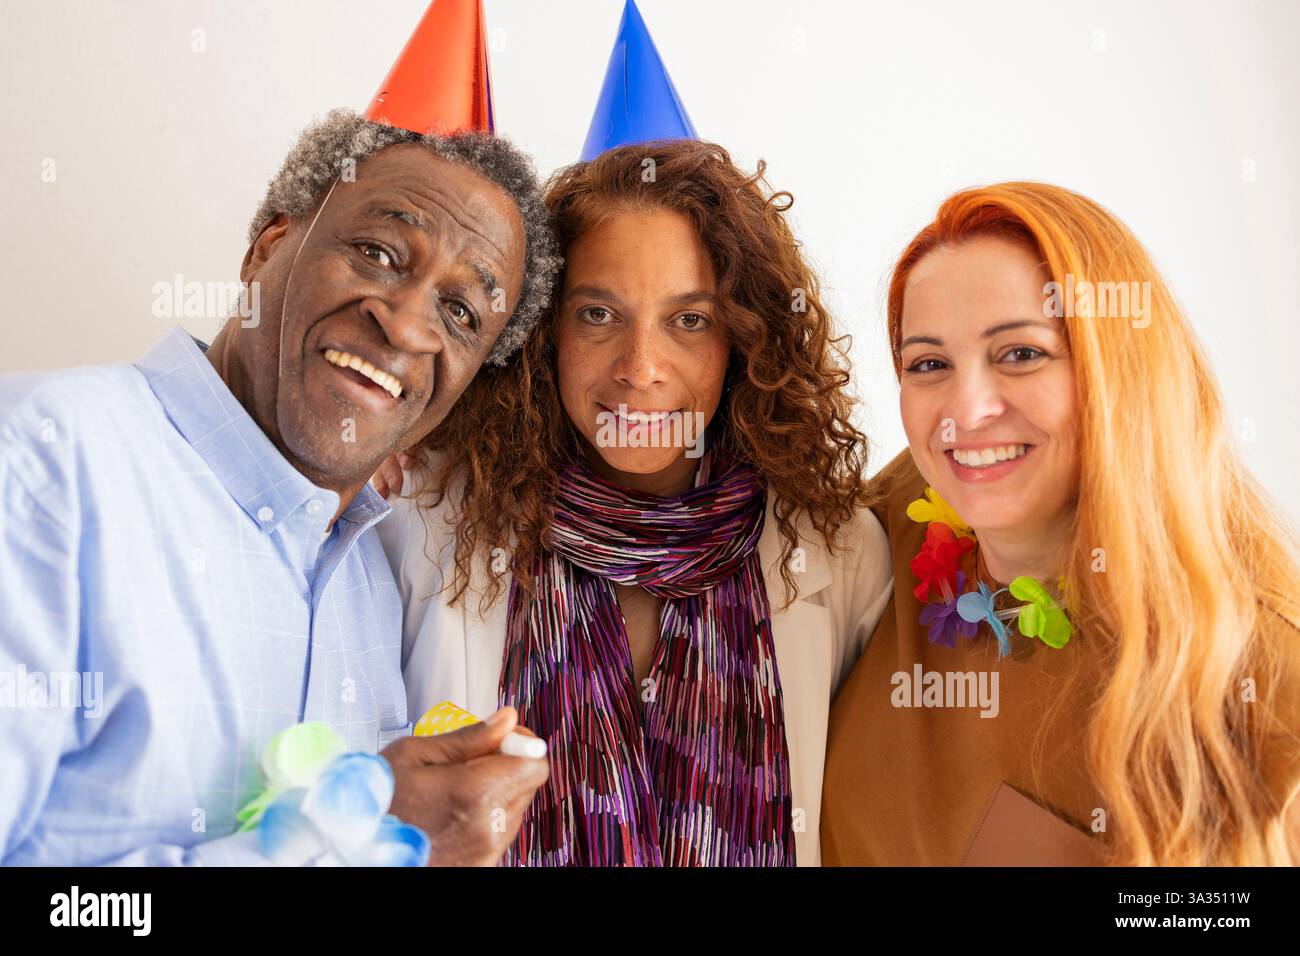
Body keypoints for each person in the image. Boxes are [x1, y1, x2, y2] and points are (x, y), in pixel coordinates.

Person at [0, 2, 559, 866]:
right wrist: (352, 846)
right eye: (378, 253)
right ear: (267, 249)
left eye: (460, 311)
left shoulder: (375, 577)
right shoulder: (46, 463)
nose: (408, 326)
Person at [375, 1, 891, 867]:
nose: (641, 367)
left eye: (689, 320)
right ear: (542, 331)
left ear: (745, 336)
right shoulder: (428, 520)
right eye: (599, 313)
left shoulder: (834, 556)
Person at [820, 181, 1300, 866]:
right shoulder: (896, 519)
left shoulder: (1266, 688)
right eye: (929, 364)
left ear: (1119, 371)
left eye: (1021, 353)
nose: (968, 409)